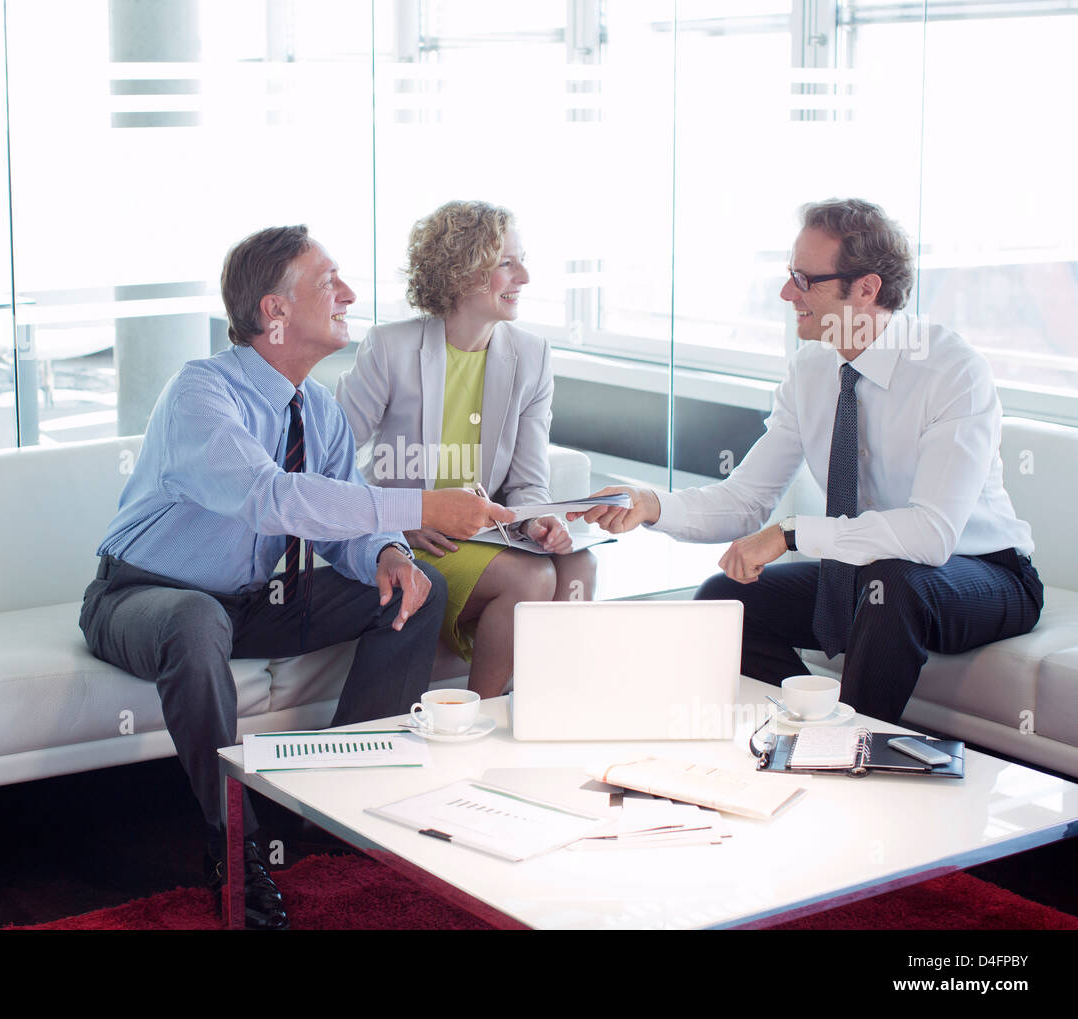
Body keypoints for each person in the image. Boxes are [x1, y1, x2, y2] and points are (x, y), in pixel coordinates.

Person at [79, 225, 511, 930]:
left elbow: (340, 520)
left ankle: (337, 801)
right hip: (141, 596)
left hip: (249, 602)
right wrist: (421, 505)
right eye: (328, 281)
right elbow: (273, 497)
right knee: (196, 620)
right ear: (274, 312)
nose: (348, 294)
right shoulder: (202, 394)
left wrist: (386, 555)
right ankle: (234, 847)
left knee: (414, 592)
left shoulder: (318, 410)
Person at [575, 198, 1043, 725]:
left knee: (892, 583)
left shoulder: (950, 371)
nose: (785, 293)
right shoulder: (812, 370)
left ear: (866, 289)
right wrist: (650, 504)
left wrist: (792, 533)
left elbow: (931, 535)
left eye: (804, 279)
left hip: (986, 573)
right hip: (873, 571)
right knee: (725, 599)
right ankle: (800, 726)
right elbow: (746, 500)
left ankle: (844, 753)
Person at [337, 201, 597, 698]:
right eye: (506, 263)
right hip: (413, 538)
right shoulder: (389, 348)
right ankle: (476, 719)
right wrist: (403, 516)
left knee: (580, 565)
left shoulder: (532, 355)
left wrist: (540, 520)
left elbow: (526, 482)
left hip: (487, 533)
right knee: (530, 579)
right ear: (461, 271)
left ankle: (549, 711)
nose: (523, 275)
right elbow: (331, 461)